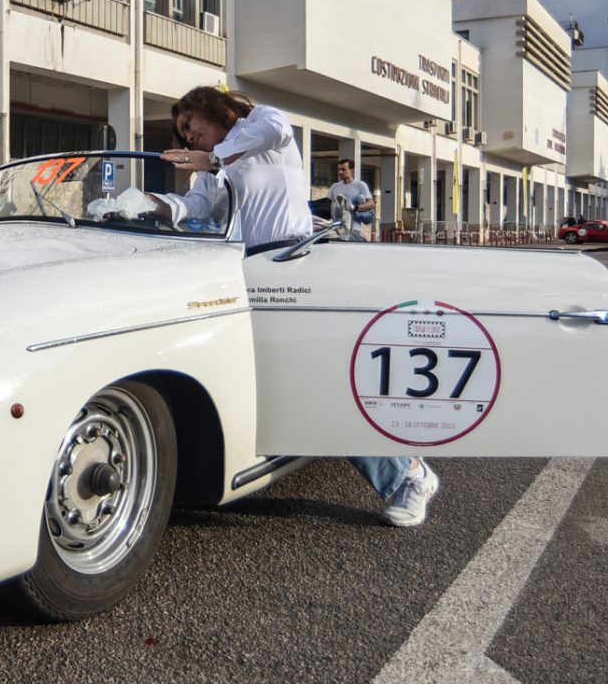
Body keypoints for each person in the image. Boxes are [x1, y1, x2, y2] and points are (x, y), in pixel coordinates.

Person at [152, 85, 441, 528]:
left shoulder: (264, 124)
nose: (188, 139)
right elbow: (197, 205)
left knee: (318, 380)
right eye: (183, 135)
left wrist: (215, 158)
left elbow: (265, 134)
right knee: (267, 376)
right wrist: (148, 203)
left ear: (212, 110)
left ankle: (410, 474)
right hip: (249, 270)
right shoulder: (214, 166)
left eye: (190, 127)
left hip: (296, 263)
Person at [327, 158, 375, 241]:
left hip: (353, 229)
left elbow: (371, 204)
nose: (340, 172)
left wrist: (355, 208)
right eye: (339, 170)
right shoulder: (334, 187)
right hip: (336, 228)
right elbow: (327, 204)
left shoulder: (360, 185)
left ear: (351, 170)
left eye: (343, 169)